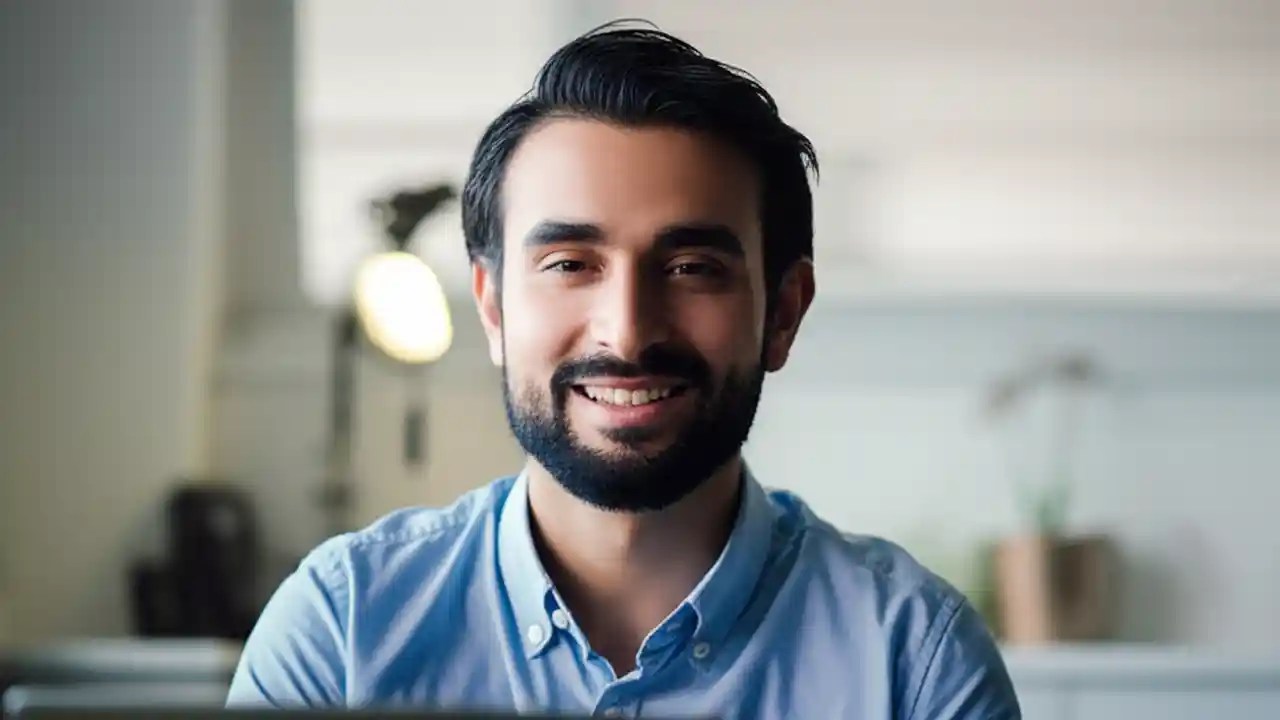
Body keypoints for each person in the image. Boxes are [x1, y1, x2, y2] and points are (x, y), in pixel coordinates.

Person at [228, 24, 1021, 719]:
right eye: (570, 263)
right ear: (493, 308)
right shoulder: (343, 630)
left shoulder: (914, 660)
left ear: (783, 312)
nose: (629, 330)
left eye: (691, 268)